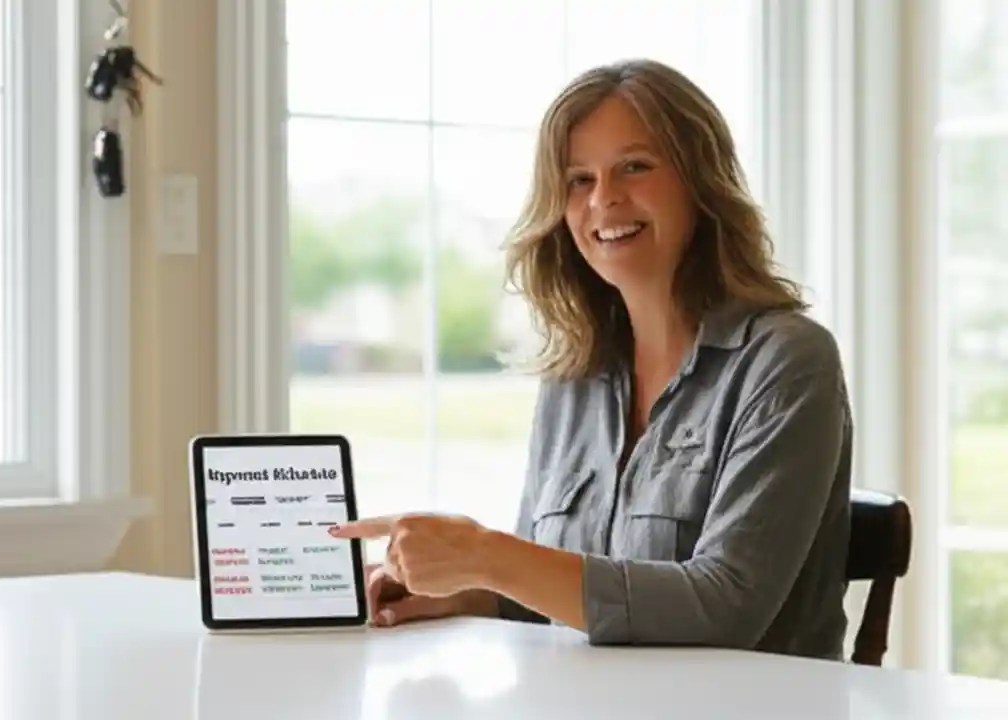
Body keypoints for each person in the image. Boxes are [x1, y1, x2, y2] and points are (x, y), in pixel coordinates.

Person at [329, 58, 853, 661]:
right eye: (579, 179)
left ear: (700, 184)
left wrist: (487, 555)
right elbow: (560, 588)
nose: (605, 199)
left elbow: (726, 607)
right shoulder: (573, 374)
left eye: (635, 167)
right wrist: (468, 590)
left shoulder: (787, 361)